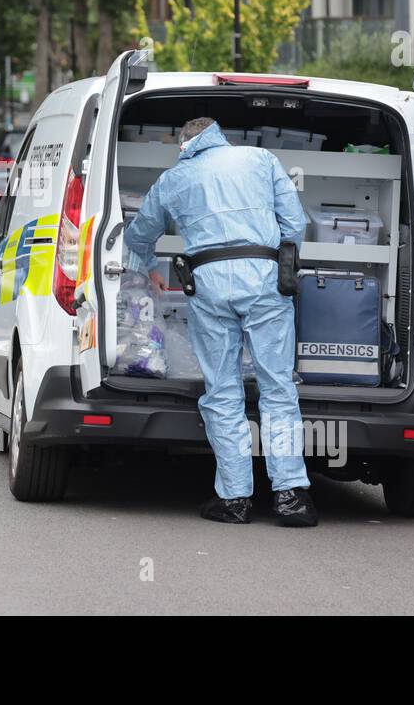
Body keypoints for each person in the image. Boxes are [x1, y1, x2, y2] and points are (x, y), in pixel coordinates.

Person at [123, 117, 315, 527]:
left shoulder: (175, 177)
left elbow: (139, 235)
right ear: (219, 137)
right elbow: (296, 224)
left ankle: (234, 499)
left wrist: (149, 266)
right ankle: (291, 498)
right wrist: (272, 255)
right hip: (265, 281)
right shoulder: (260, 158)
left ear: (184, 144)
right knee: (277, 388)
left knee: (222, 391)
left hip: (208, 285)